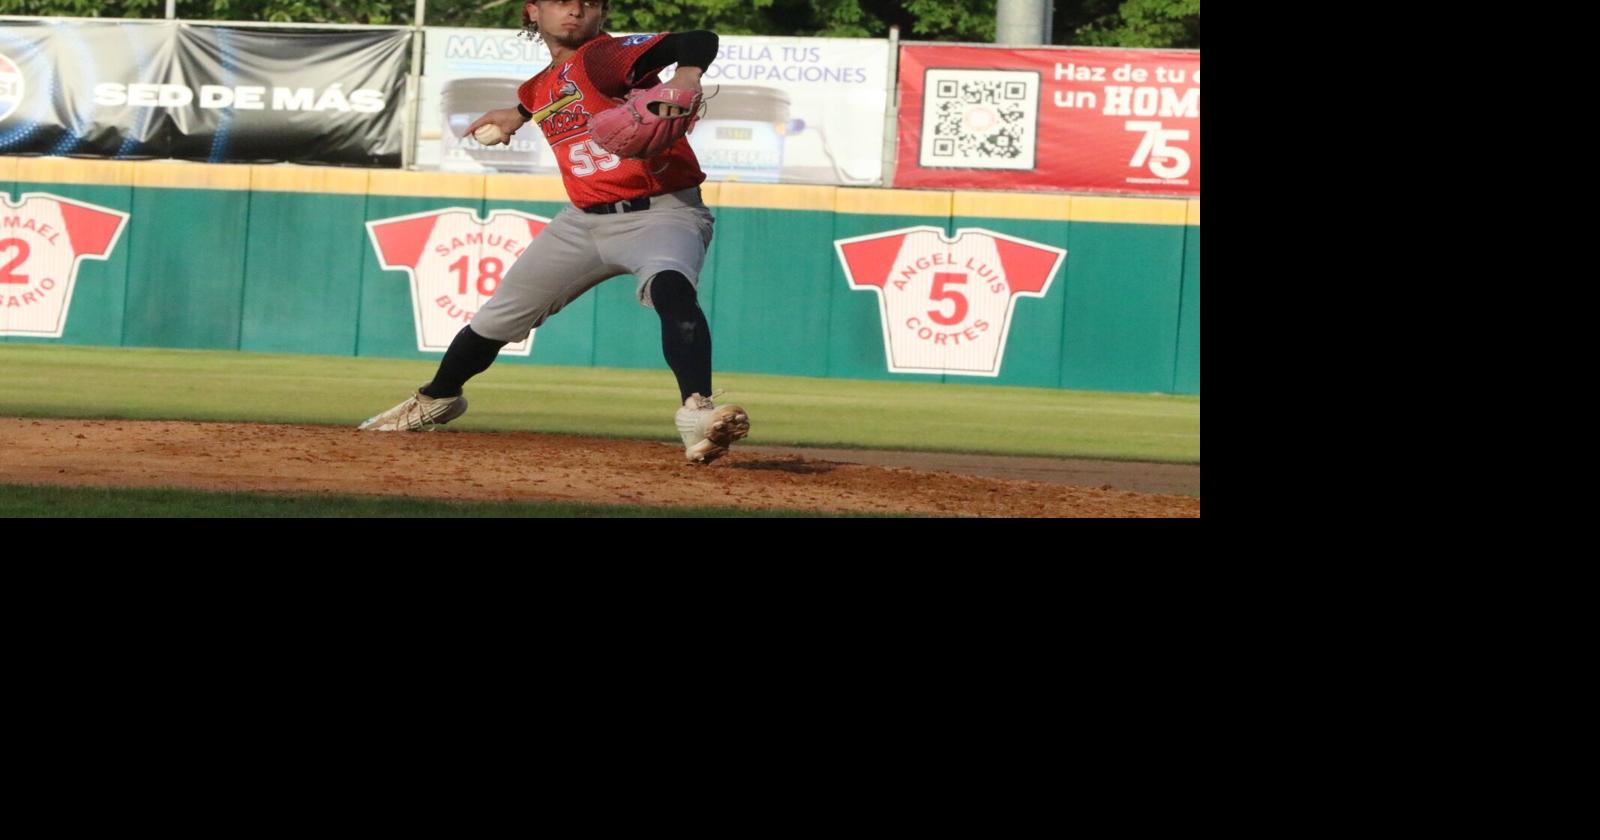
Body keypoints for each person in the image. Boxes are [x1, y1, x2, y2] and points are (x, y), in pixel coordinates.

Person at [360, 0, 749, 465]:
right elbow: (544, 93)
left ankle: (698, 412)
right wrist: (515, 113)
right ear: (532, 12)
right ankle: (438, 398)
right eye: (562, 0)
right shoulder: (539, 85)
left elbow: (699, 39)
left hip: (662, 214)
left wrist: (686, 76)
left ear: (601, 14)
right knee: (496, 320)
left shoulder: (603, 57)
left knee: (672, 288)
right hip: (581, 222)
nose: (576, 9)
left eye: (589, 3)